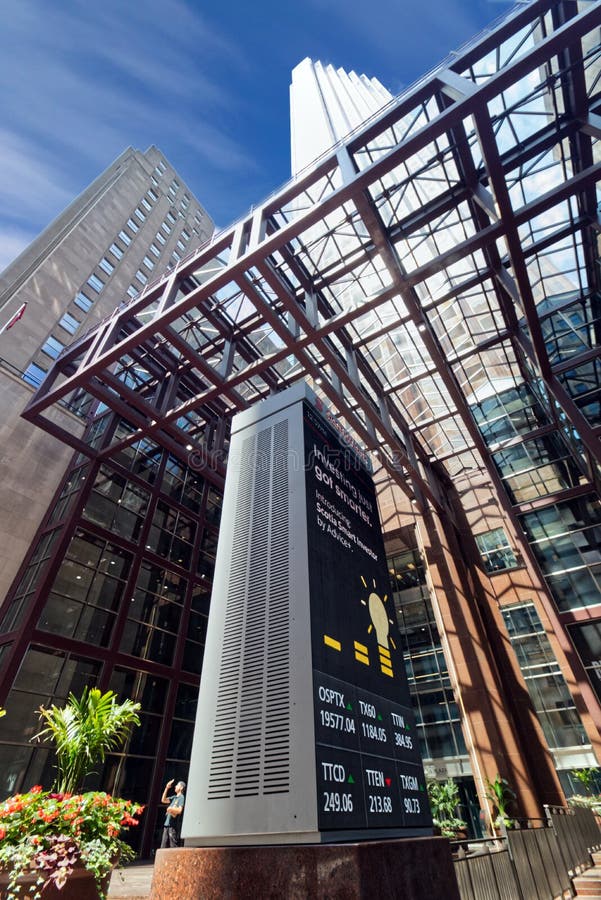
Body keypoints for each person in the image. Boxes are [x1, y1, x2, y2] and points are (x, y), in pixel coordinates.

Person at [160, 778, 186, 848]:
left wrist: (171, 809)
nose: (175, 786)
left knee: (173, 845)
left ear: (181, 788)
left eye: (177, 785)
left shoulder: (181, 797)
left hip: (172, 826)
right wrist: (166, 788)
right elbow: (163, 800)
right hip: (167, 824)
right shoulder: (174, 797)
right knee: (163, 846)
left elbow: (180, 810)